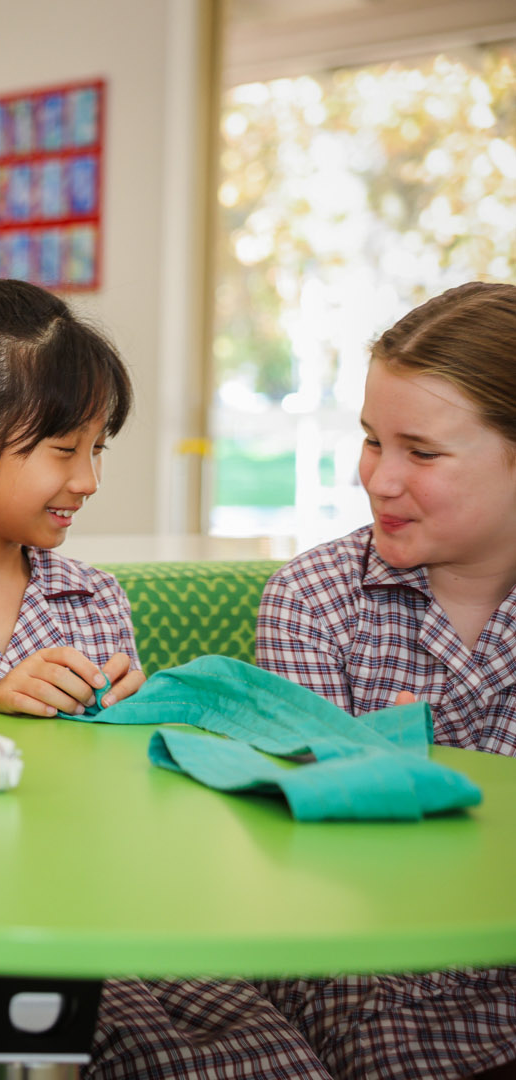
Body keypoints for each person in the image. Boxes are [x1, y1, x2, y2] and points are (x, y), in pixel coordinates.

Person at [0, 279, 336, 1079]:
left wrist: (136, 729)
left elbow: (124, 817)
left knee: (257, 1051)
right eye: (63, 450)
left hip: (94, 924)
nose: (88, 480)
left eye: (97, 449)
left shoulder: (92, 600)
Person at [256, 281, 516, 1080]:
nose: (379, 479)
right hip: (362, 993)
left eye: (422, 452)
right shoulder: (314, 602)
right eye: (372, 440)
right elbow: (315, 873)